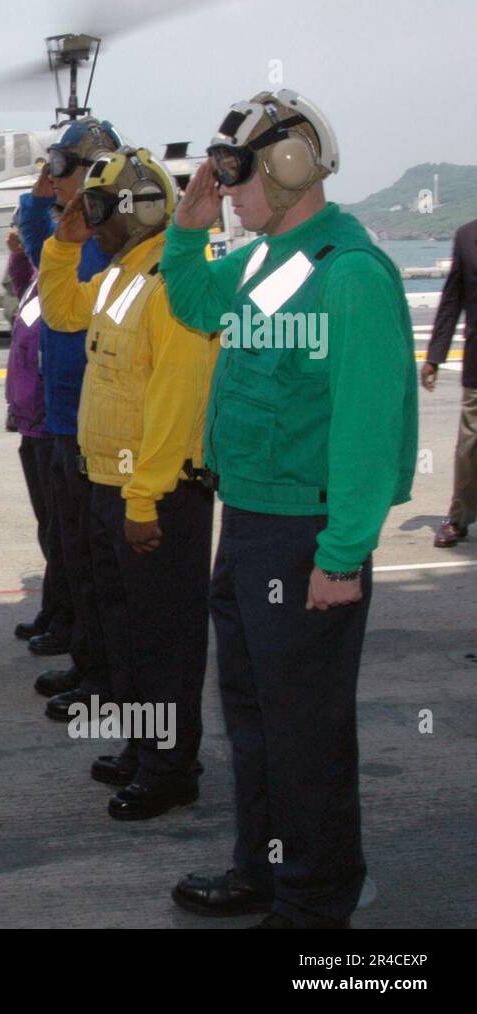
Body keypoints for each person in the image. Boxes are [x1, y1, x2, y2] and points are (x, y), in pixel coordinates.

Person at [161, 90, 416, 927]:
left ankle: (314, 905)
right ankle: (262, 869)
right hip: (250, 525)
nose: (227, 193)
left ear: (289, 165)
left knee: (306, 733)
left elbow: (368, 433)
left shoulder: (350, 274)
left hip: (308, 536)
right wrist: (189, 225)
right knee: (254, 715)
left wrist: (342, 556)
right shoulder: (274, 262)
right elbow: (197, 304)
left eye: (236, 178)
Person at [40, 145, 216, 820]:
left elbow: (175, 402)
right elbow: (62, 313)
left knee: (164, 639)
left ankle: (172, 770)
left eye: (98, 208)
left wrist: (143, 500)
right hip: (110, 487)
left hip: (158, 495)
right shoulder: (120, 275)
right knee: (128, 630)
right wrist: (62, 245)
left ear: (138, 210)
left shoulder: (172, 282)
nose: (91, 219)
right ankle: (147, 748)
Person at [18, 118, 121, 704]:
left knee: (96, 563)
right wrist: (47, 182)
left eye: (64, 170)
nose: (53, 181)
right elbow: (35, 232)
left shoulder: (107, 246)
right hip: (59, 423)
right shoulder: (68, 246)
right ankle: (88, 664)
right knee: (75, 554)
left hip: (90, 424)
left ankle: (103, 677)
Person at [5, 214, 73, 655]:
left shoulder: (62, 280)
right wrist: (16, 253)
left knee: (62, 533)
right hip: (32, 427)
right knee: (49, 529)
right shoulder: (37, 278)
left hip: (51, 428)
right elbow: (19, 279)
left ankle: (66, 620)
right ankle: (54, 611)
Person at [422, 218, 477, 547]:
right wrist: (434, 357)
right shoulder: (467, 236)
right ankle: (458, 518)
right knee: (469, 444)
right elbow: (451, 300)